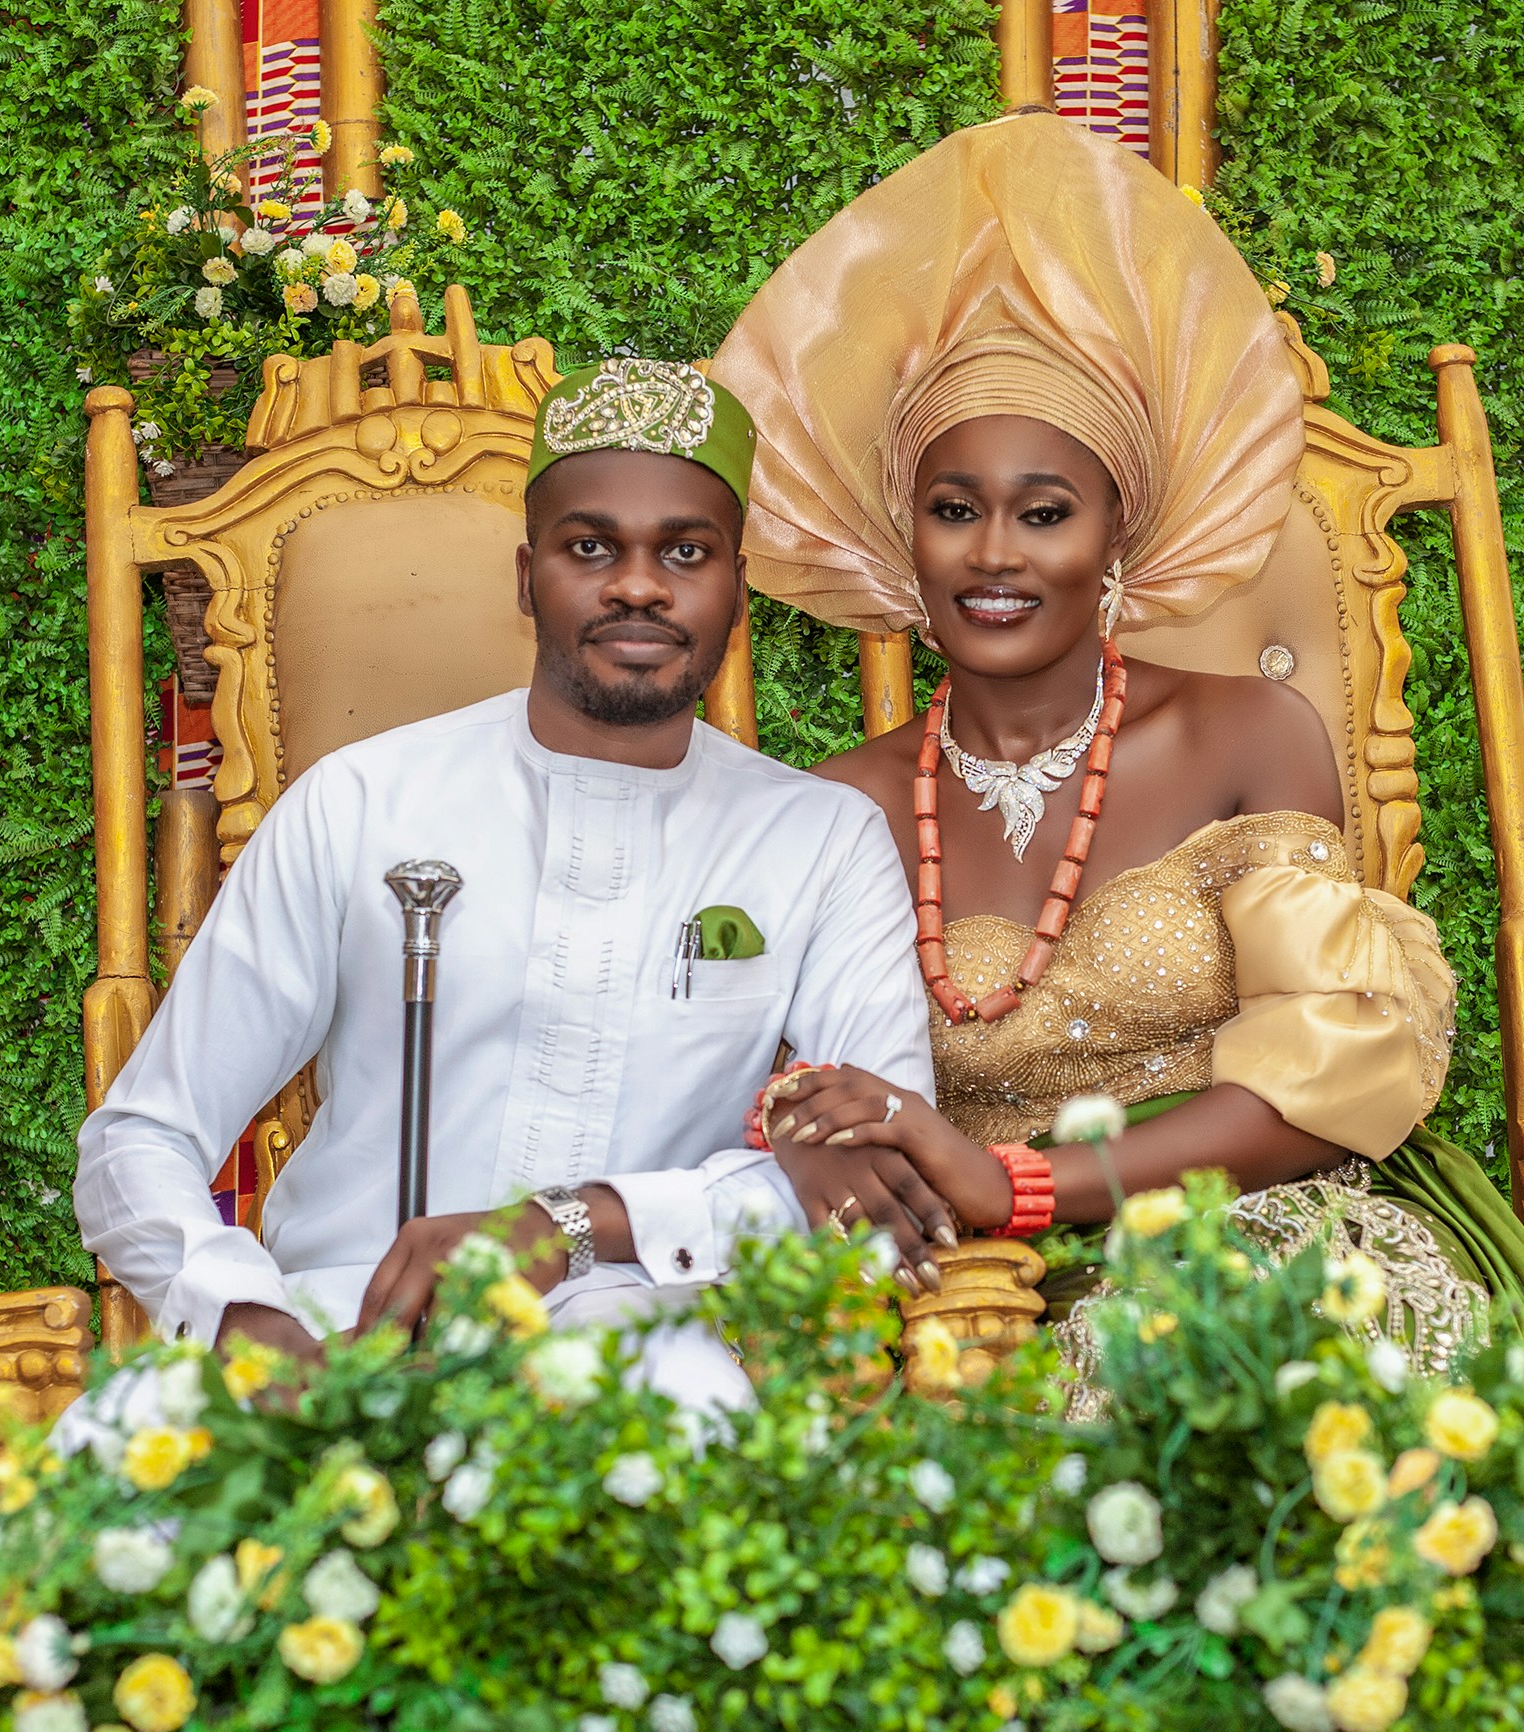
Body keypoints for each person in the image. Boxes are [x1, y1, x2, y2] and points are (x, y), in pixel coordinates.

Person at [714, 116, 1524, 1732]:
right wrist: (838, 1136)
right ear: (894, 531)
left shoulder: (1251, 733)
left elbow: (1327, 1077)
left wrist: (1027, 1181)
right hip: (967, 1300)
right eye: (954, 506)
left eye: (1044, 509)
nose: (993, 554)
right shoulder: (830, 807)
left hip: (1262, 1235)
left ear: (1121, 541)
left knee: (1257, 1492)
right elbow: (778, 1077)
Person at [73, 358, 954, 1414]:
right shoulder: (357, 802)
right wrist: (236, 1313)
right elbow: (141, 1137)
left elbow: (878, 1193)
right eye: (592, 547)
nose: (638, 583)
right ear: (526, 575)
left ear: (735, 587)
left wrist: (583, 1222)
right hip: (330, 1328)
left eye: (684, 550)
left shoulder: (817, 841)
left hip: (640, 1346)